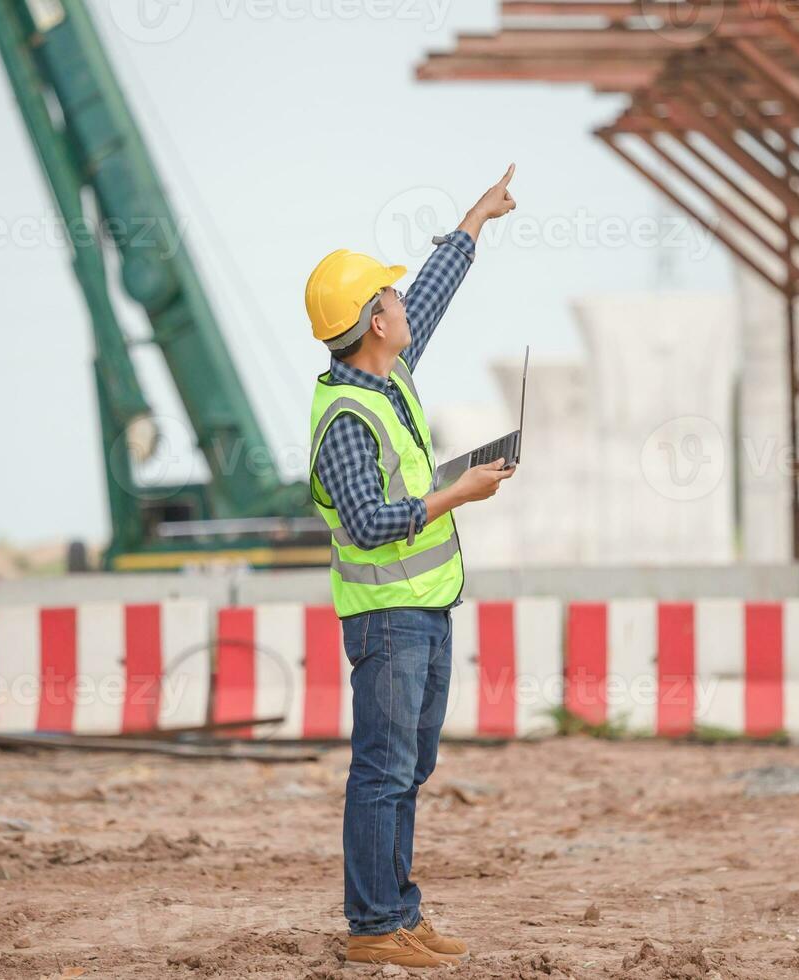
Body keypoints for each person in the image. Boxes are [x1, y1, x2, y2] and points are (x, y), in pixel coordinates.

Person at [303, 166, 519, 969]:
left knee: (410, 767)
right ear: (373, 323)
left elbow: (431, 293)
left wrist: (476, 219)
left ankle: (397, 910)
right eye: (388, 296)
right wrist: (457, 494)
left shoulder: (386, 373)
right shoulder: (348, 419)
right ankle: (372, 928)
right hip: (388, 619)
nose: (401, 302)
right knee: (384, 771)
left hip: (425, 608)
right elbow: (367, 525)